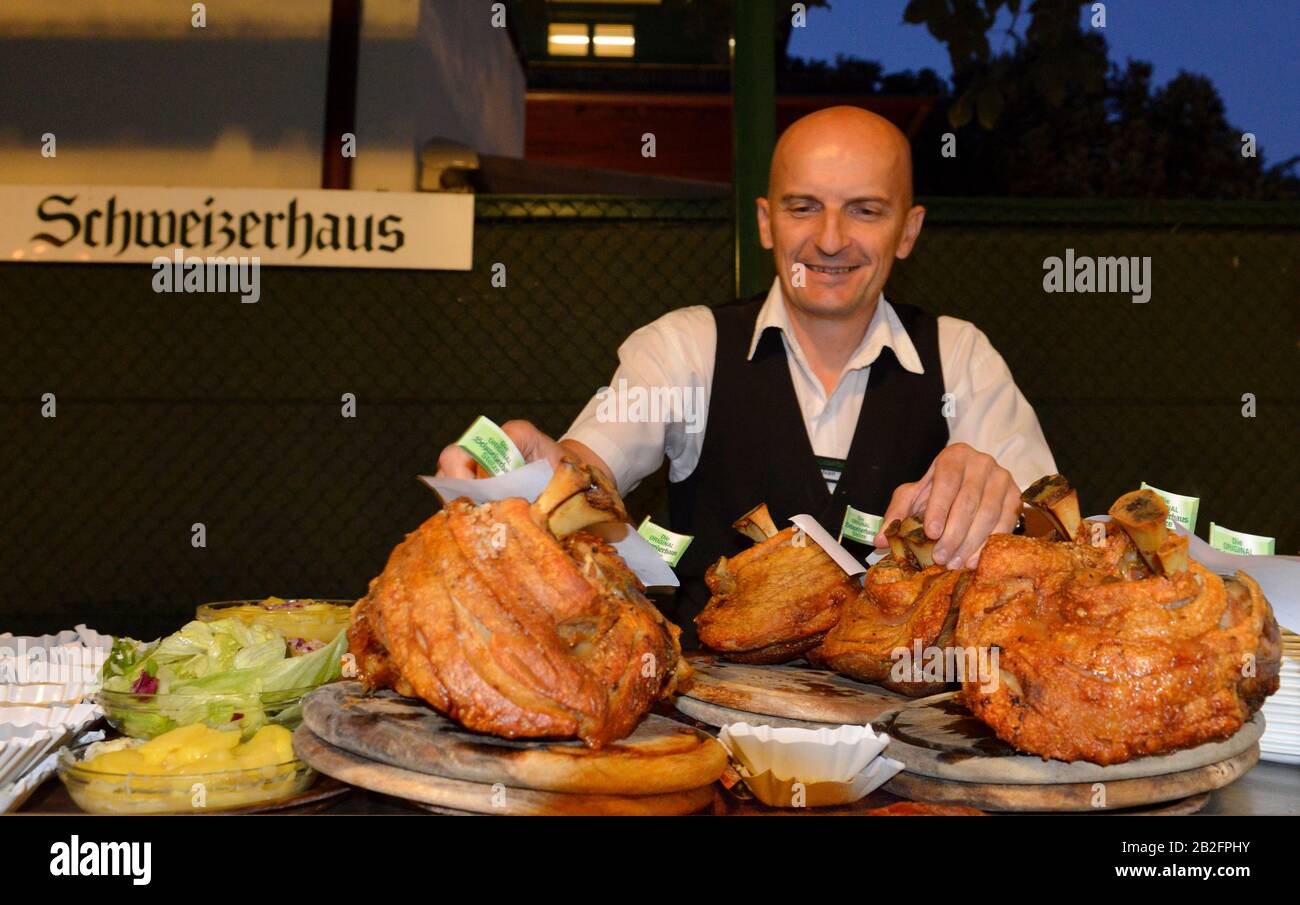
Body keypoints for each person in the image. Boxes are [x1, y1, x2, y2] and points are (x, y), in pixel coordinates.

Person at [437, 106, 1055, 644]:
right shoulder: (687, 346)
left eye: (865, 210)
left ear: (908, 231)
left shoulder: (962, 356)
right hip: (713, 728)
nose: (831, 240)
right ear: (766, 222)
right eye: (803, 207)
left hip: (909, 736)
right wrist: (547, 474)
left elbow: (1053, 532)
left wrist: (1004, 497)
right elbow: (593, 465)